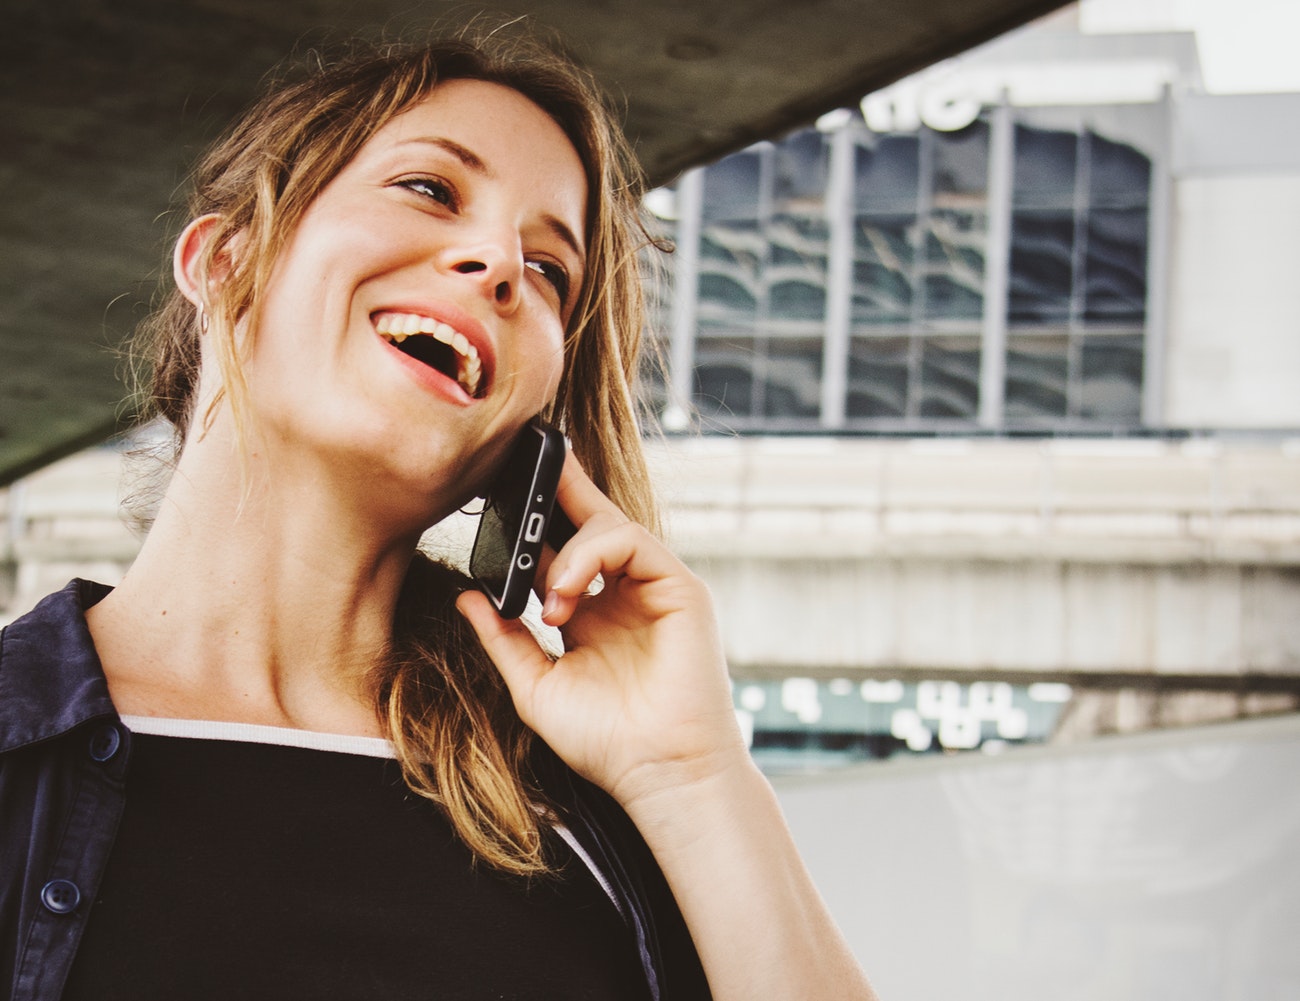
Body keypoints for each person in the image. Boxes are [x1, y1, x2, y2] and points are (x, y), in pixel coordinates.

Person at [0, 32, 877, 1001]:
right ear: (222, 260)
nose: (500, 263)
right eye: (428, 188)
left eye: (549, 270)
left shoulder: (590, 815)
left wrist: (692, 776)